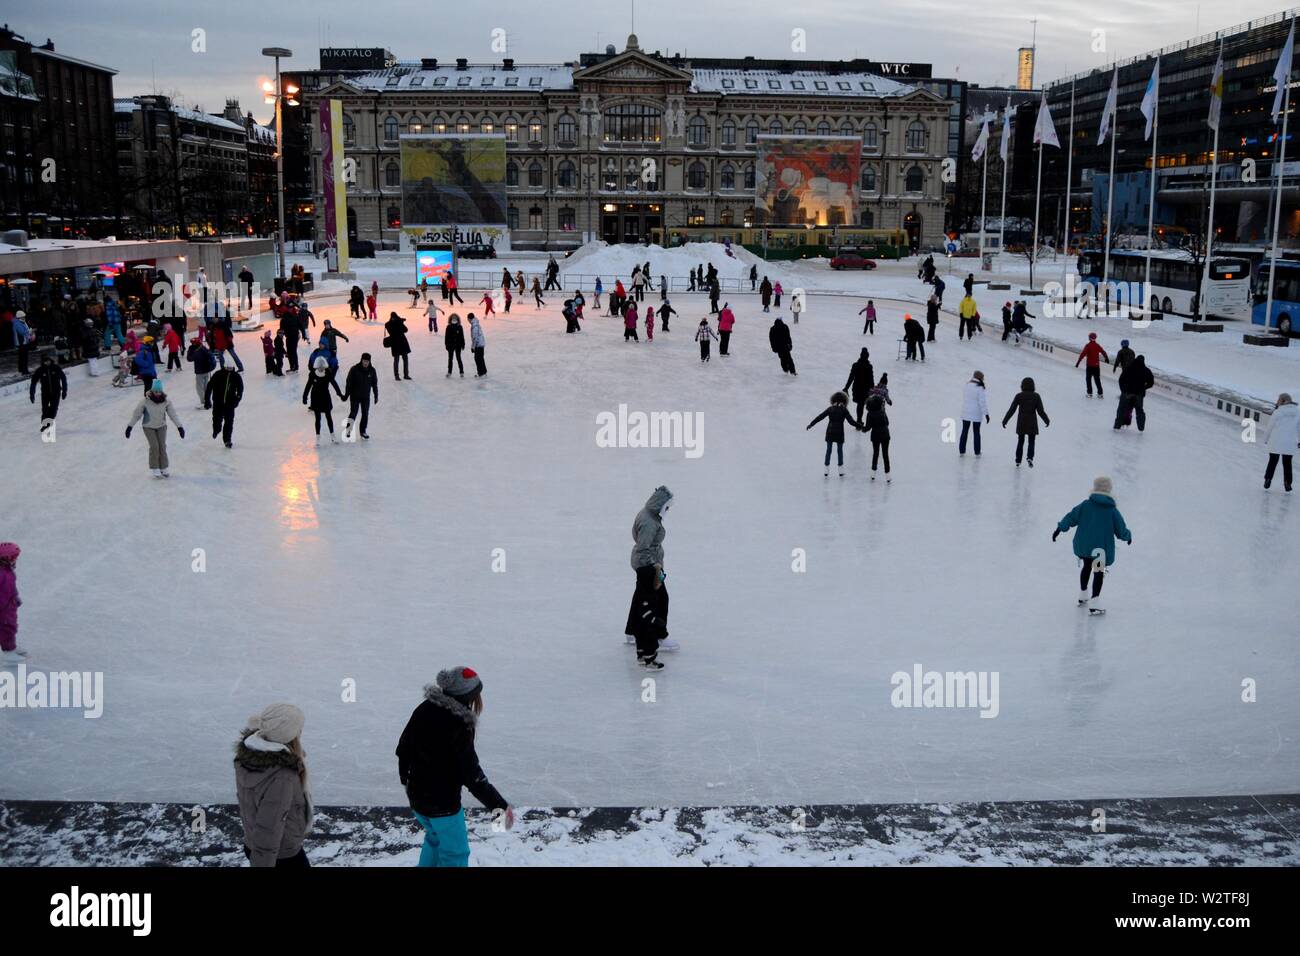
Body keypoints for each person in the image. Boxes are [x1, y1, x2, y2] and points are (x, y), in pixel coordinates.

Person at [396, 667, 513, 867]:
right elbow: (472, 775)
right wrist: (499, 806)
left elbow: (403, 748)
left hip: (417, 799)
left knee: (435, 840)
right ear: (470, 696)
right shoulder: (459, 723)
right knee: (455, 854)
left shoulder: (425, 708)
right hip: (443, 806)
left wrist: (407, 782)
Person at [235, 703, 314, 867]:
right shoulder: (282, 776)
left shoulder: (249, 753)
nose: (300, 732)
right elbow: (269, 827)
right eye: (298, 729)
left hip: (254, 843)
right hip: (279, 854)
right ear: (288, 734)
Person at [1053, 475, 1132, 615]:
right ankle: (1094, 603)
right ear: (1109, 489)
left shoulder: (1085, 505)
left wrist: (1059, 529)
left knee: (1087, 566)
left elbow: (1071, 517)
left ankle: (1083, 595)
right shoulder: (1111, 510)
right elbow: (1120, 529)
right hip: (1100, 548)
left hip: (1084, 544)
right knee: (1098, 572)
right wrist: (1128, 536)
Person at [624, 486, 677, 668]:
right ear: (660, 504)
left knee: (640, 598)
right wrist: (655, 568)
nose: (668, 510)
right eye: (667, 507)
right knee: (660, 599)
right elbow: (643, 547)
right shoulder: (649, 522)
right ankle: (659, 635)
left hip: (645, 564)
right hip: (648, 566)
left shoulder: (648, 514)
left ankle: (631, 631)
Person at [126, 379, 185, 477]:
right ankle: (155, 467)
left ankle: (164, 467)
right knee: (154, 446)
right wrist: (129, 427)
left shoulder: (166, 401)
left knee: (162, 446)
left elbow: (173, 415)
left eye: (159, 391)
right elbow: (137, 415)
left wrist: (180, 427)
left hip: (161, 426)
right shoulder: (145, 401)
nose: (158, 393)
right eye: (156, 391)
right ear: (152, 391)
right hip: (148, 427)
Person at [807, 391, 862, 478]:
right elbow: (851, 421)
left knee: (828, 451)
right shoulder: (844, 410)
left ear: (833, 400)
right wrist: (860, 426)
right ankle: (841, 471)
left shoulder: (830, 409)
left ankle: (826, 470)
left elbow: (820, 417)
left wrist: (811, 424)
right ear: (844, 400)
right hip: (839, 433)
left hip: (830, 432)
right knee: (839, 451)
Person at [1001, 376, 1050, 467]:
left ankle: (1018, 460)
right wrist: (1046, 420)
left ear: (1022, 385)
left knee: (1021, 441)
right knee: (1031, 441)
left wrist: (1005, 420)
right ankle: (1030, 457)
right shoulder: (1036, 396)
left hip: (1022, 422)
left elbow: (1012, 409)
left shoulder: (1019, 396)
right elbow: (1040, 411)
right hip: (1032, 422)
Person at [302, 356, 345, 443]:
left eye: (322, 367)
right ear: (316, 366)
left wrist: (340, 394)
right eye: (319, 367)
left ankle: (332, 435)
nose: (321, 368)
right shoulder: (312, 374)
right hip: (316, 397)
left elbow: (334, 384)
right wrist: (305, 397)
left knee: (328, 416)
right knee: (318, 418)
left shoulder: (328, 373)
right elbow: (308, 385)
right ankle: (318, 437)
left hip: (325, 397)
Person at [1263, 392, 1300, 492]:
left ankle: (1268, 479)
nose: (1277, 402)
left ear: (1283, 401)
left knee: (1272, 461)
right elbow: (1299, 428)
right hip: (1289, 442)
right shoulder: (1297, 412)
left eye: (1278, 400)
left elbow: (1270, 427)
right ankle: (1288, 483)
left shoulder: (1278, 412)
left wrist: (1266, 439)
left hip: (1276, 441)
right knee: (1287, 463)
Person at [204, 362, 244, 449]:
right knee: (217, 419)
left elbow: (240, 389)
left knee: (229, 422)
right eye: (227, 368)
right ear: (224, 367)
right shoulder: (218, 374)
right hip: (218, 403)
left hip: (230, 404)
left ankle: (227, 440)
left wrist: (237, 399)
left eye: (231, 368)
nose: (229, 369)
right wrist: (207, 400)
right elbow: (209, 386)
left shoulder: (236, 376)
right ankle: (216, 430)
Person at [343, 353, 379, 441]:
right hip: (355, 396)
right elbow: (349, 382)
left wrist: (376, 395)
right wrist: (347, 394)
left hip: (365, 397)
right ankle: (348, 430)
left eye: (367, 361)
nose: (365, 363)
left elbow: (374, 384)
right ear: (361, 360)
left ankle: (363, 431)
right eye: (364, 361)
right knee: (353, 413)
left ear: (369, 361)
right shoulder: (354, 369)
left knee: (365, 414)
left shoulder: (372, 371)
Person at [29, 351, 67, 432]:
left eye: (48, 360)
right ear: (43, 362)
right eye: (45, 361)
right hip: (45, 394)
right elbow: (33, 382)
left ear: (50, 360)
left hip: (56, 393)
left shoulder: (56, 368)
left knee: (53, 409)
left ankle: (48, 423)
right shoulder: (40, 370)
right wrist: (32, 394)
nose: (47, 362)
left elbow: (63, 378)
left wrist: (64, 391)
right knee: (45, 410)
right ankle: (44, 425)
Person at [1113, 355, 1154, 431]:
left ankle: (1117, 426)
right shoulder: (1146, 370)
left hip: (1127, 392)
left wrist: (1123, 390)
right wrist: (1143, 388)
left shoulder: (1128, 368)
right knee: (1139, 410)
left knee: (1122, 409)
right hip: (1139, 394)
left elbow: (1121, 380)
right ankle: (1141, 428)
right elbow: (1151, 383)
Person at [0, 542, 25, 665]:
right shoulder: (2, 574)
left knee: (11, 626)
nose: (16, 560)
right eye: (14, 557)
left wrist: (16, 597)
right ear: (6, 558)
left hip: (10, 605)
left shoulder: (7, 571)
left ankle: (11, 646)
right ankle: (8, 651)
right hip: (4, 608)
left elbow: (11, 588)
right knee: (7, 628)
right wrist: (4, 606)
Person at [959, 371, 990, 456]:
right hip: (976, 414)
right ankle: (977, 452)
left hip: (966, 412)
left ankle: (962, 451)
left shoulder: (967, 385)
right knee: (976, 432)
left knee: (964, 431)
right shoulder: (980, 388)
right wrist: (986, 414)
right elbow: (982, 402)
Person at [864, 393, 891, 481]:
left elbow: (868, 427)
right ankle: (888, 475)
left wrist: (863, 429)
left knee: (876, 453)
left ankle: (873, 474)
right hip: (885, 434)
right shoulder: (883, 412)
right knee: (885, 454)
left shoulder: (870, 414)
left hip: (875, 435)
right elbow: (887, 423)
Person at [844, 348, 875, 424]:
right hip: (865, 388)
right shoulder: (869, 366)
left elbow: (851, 377)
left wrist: (846, 387)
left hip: (857, 388)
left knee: (860, 404)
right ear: (867, 357)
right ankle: (860, 420)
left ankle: (859, 420)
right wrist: (872, 388)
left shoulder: (855, 365)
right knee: (862, 404)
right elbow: (871, 378)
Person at [1075, 332, 1109, 398]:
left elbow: (1082, 354)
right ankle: (1100, 394)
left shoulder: (1088, 346)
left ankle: (1089, 393)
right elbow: (1103, 351)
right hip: (1096, 366)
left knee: (1088, 379)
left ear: (1090, 338)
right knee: (1097, 380)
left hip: (1090, 366)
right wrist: (1106, 358)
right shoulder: (1097, 345)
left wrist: (1078, 362)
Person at [187, 336, 217, 409]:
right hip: (207, 370)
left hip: (200, 372)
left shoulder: (197, 351)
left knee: (199, 388)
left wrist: (190, 351)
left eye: (193, 343)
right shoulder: (204, 348)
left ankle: (204, 402)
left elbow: (189, 358)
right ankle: (208, 401)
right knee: (206, 387)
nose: (192, 344)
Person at [384, 311, 412, 381]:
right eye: (393, 318)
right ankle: (398, 375)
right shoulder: (391, 324)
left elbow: (406, 330)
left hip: (400, 343)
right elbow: (394, 331)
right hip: (397, 343)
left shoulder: (390, 324)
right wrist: (400, 322)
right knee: (397, 360)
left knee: (404, 359)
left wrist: (400, 322)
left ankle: (405, 375)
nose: (393, 319)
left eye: (394, 317)